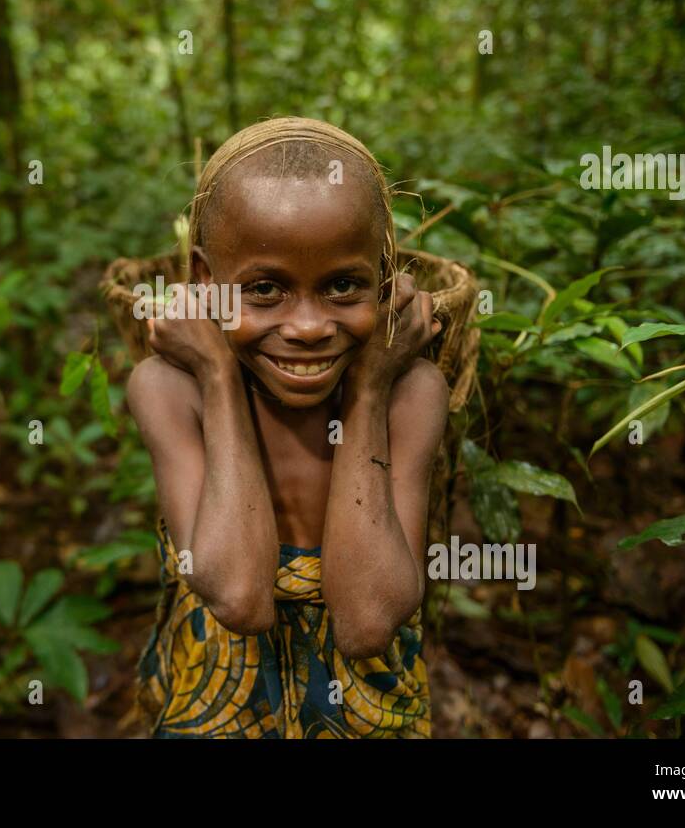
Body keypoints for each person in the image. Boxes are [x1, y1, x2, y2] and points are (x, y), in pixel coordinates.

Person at [127, 116, 448, 738]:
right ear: (204, 282)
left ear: (386, 279)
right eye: (266, 289)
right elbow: (241, 596)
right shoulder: (170, 391)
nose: (307, 326)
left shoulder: (409, 394)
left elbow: (366, 621)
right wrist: (219, 376)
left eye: (343, 286)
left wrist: (371, 388)